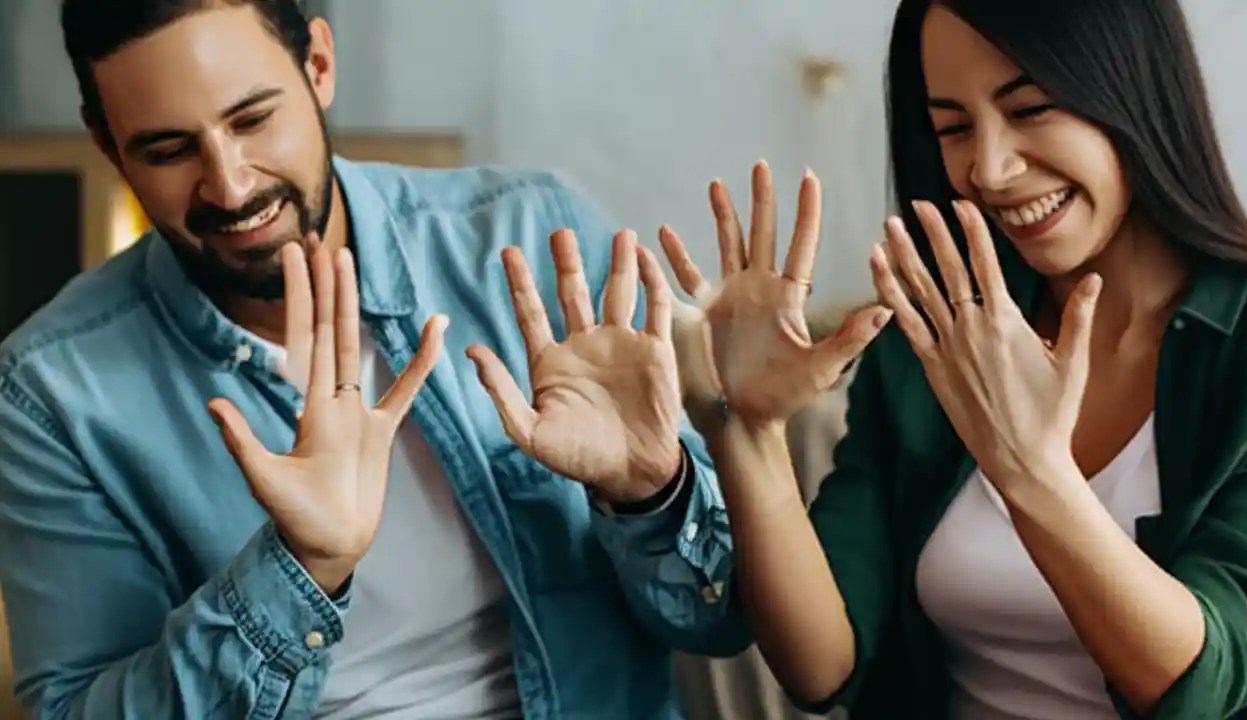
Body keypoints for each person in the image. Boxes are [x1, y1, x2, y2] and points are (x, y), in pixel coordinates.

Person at [0, 1, 748, 717]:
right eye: (168, 150)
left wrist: (652, 493)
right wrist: (299, 568)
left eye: (253, 119)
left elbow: (721, 622)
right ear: (108, 145)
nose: (229, 186)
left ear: (319, 66)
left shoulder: (529, 236)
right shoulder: (52, 393)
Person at [657, 0, 1247, 718]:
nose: (989, 167)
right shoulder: (933, 331)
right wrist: (747, 433)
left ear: (1135, 90)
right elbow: (822, 666)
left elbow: (1204, 682)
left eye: (1033, 108)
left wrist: (1032, 472)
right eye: (953, 127)